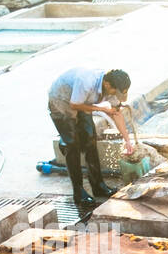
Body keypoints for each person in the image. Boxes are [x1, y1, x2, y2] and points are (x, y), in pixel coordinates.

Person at [47, 67, 135, 213]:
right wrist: (101, 109)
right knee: (72, 144)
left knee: (90, 139)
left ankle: (98, 185)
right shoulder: (86, 81)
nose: (115, 95)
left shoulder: (112, 88)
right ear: (107, 85)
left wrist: (127, 140)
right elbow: (74, 104)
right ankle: (78, 192)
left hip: (82, 102)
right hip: (61, 101)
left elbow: (116, 113)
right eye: (115, 92)